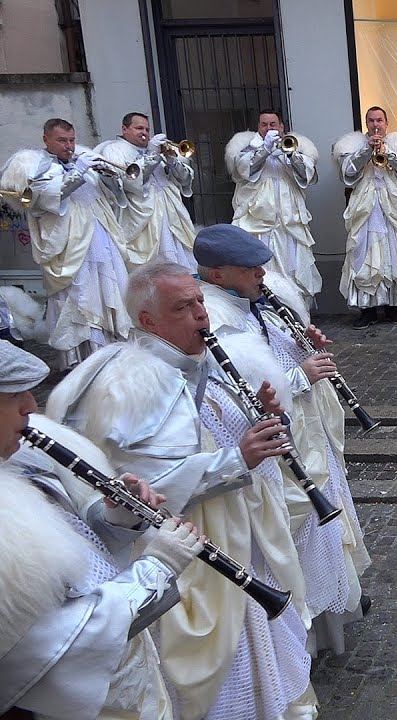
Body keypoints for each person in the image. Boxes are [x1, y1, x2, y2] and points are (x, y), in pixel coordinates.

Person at [45, 262, 318, 720]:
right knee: (227, 672)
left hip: (240, 537)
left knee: (267, 653)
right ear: (148, 321)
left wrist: (267, 418)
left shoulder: (202, 357)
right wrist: (238, 458)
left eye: (198, 301)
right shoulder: (130, 386)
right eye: (183, 307)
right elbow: (144, 494)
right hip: (194, 555)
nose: (201, 315)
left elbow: (218, 429)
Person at [0, 340, 203, 720]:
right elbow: (44, 646)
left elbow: (72, 562)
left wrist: (118, 519)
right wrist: (156, 568)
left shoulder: (21, 460)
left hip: (120, 678)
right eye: (14, 396)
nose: (31, 406)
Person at [194, 224, 371, 655]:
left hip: (307, 431)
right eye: (250, 267)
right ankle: (305, 627)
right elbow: (242, 391)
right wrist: (301, 374)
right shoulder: (215, 318)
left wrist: (301, 341)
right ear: (217, 275)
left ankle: (337, 602)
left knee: (326, 516)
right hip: (280, 442)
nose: (261, 273)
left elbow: (270, 353)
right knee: (298, 526)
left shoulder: (256, 299)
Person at [0, 118, 132, 370]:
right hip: (67, 243)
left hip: (98, 234)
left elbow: (112, 197)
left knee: (107, 289)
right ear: (46, 140)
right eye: (62, 140)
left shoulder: (82, 159)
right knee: (78, 296)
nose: (69, 146)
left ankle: (111, 347)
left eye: (71, 140)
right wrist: (79, 171)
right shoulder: (35, 167)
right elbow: (46, 197)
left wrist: (107, 178)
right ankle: (80, 359)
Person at [334, 106, 397, 328]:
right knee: (365, 255)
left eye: (380, 120)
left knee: (395, 254)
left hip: (394, 208)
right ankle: (368, 309)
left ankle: (395, 305)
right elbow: (347, 174)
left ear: (387, 123)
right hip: (366, 208)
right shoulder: (354, 146)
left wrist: (389, 153)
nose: (376, 125)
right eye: (371, 121)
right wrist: (367, 151)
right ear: (367, 124)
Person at [226, 110, 323, 305]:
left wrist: (289, 154)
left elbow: (307, 175)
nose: (269, 128)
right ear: (258, 127)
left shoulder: (295, 147)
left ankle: (296, 308)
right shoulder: (247, 148)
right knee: (264, 265)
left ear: (281, 127)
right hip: (259, 222)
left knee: (293, 264)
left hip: (289, 222)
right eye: (264, 124)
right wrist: (265, 149)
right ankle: (266, 307)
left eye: (273, 124)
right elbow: (244, 170)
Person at [95, 112, 198, 272]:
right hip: (142, 216)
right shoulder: (114, 150)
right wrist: (152, 154)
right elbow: (128, 182)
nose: (144, 133)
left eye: (147, 129)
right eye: (139, 128)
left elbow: (185, 180)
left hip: (171, 213)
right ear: (124, 129)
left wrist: (172, 160)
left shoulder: (160, 150)